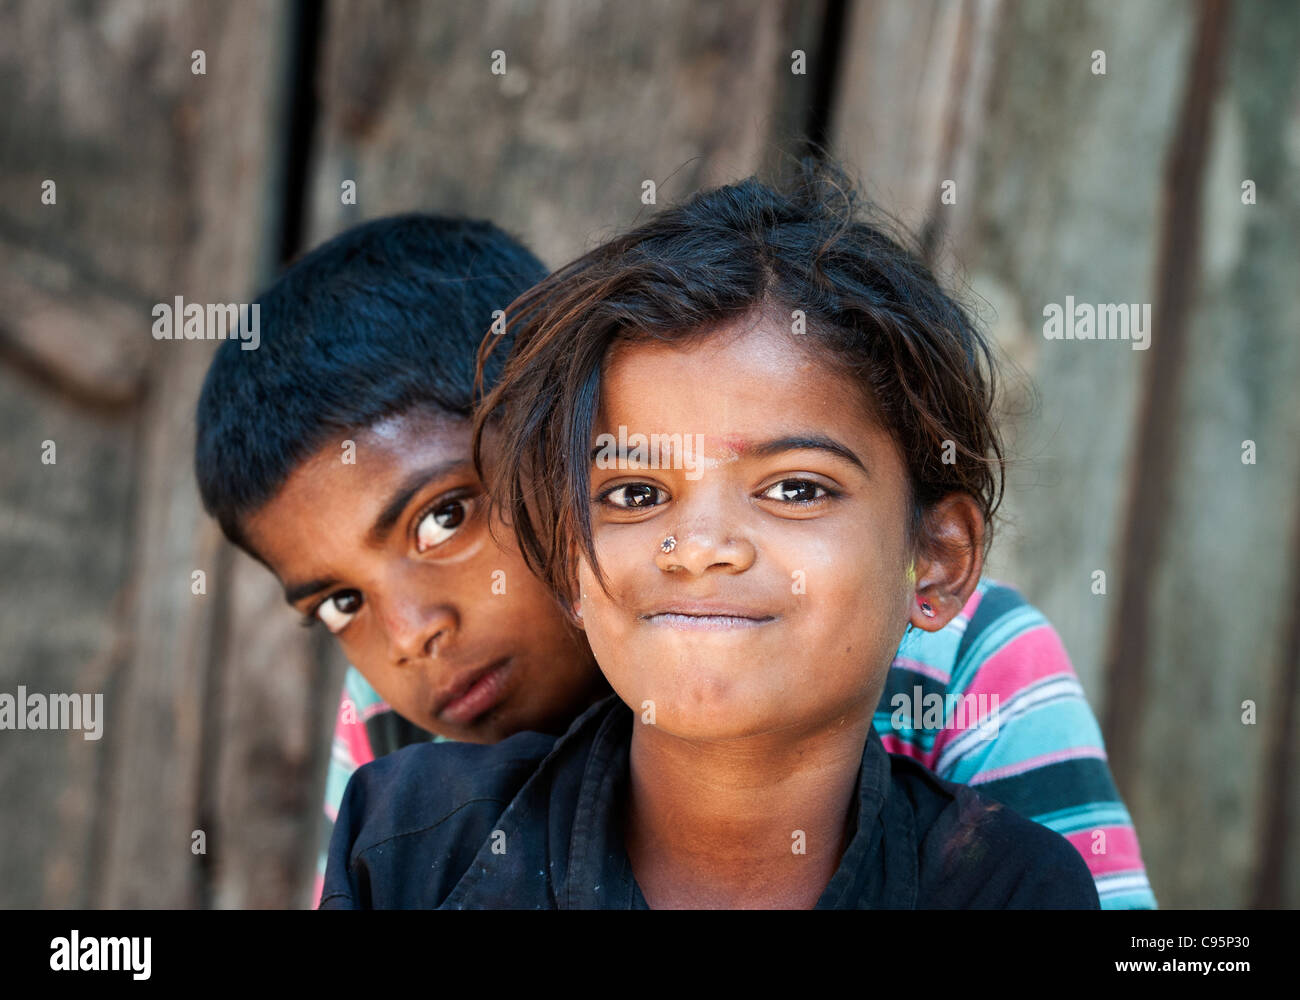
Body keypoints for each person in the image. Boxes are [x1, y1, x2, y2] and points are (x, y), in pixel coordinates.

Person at [319, 162, 1111, 908]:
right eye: (635, 493)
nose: (696, 546)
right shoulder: (413, 845)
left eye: (796, 488)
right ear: (568, 564)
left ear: (934, 563)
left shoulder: (1006, 888)